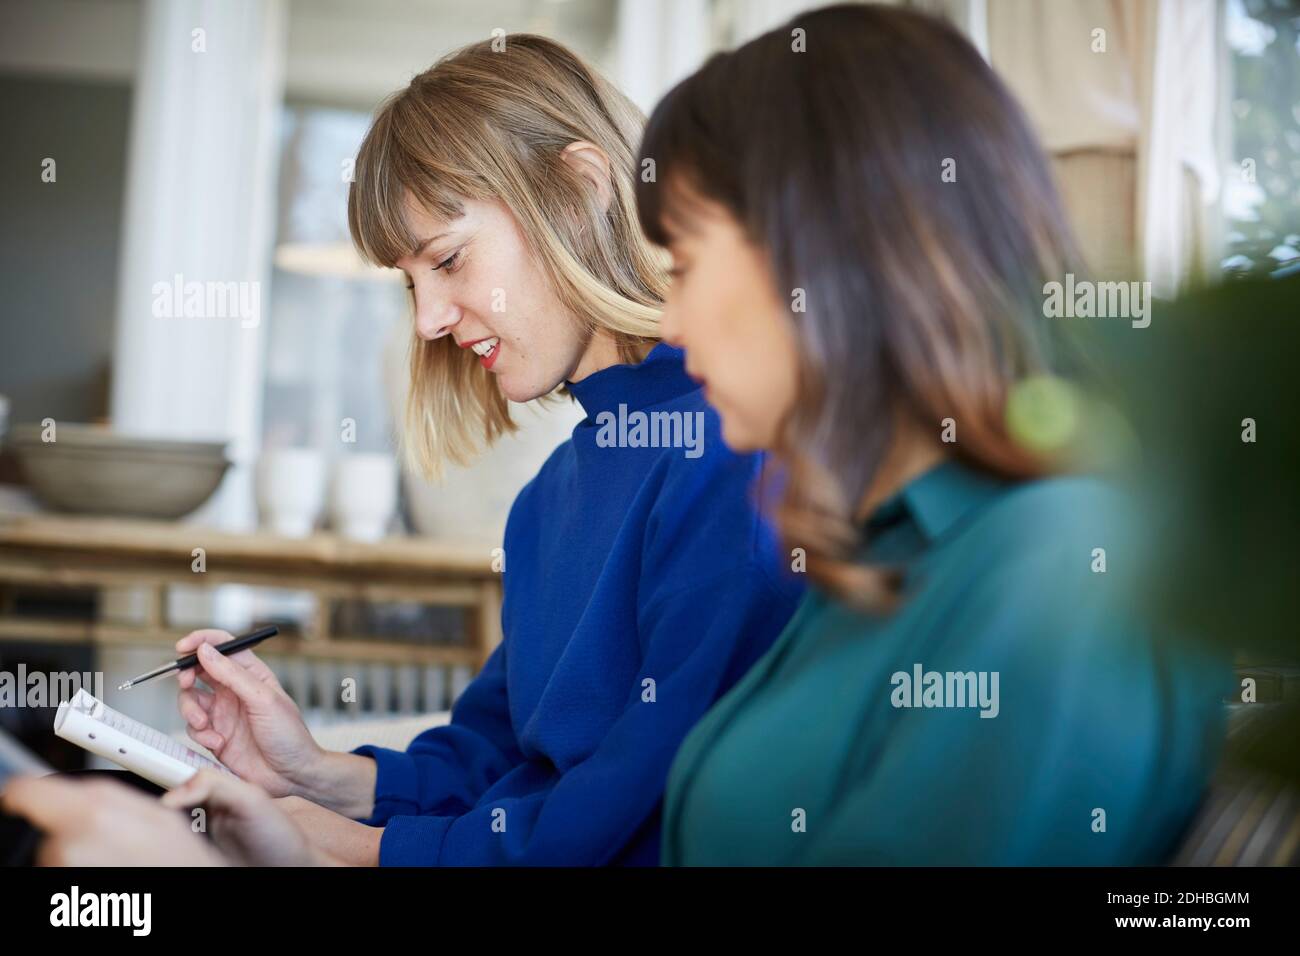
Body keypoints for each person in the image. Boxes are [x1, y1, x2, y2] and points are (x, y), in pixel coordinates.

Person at [0, 33, 801, 867]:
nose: (429, 322)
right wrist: (311, 771)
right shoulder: (552, 495)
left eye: (449, 260)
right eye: (412, 283)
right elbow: (498, 757)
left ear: (582, 187)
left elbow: (642, 812)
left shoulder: (729, 454)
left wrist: (358, 849)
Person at [634, 3, 1230, 865]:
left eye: (684, 267)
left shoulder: (1060, 568)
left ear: (829, 248)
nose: (670, 323)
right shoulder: (894, 549)